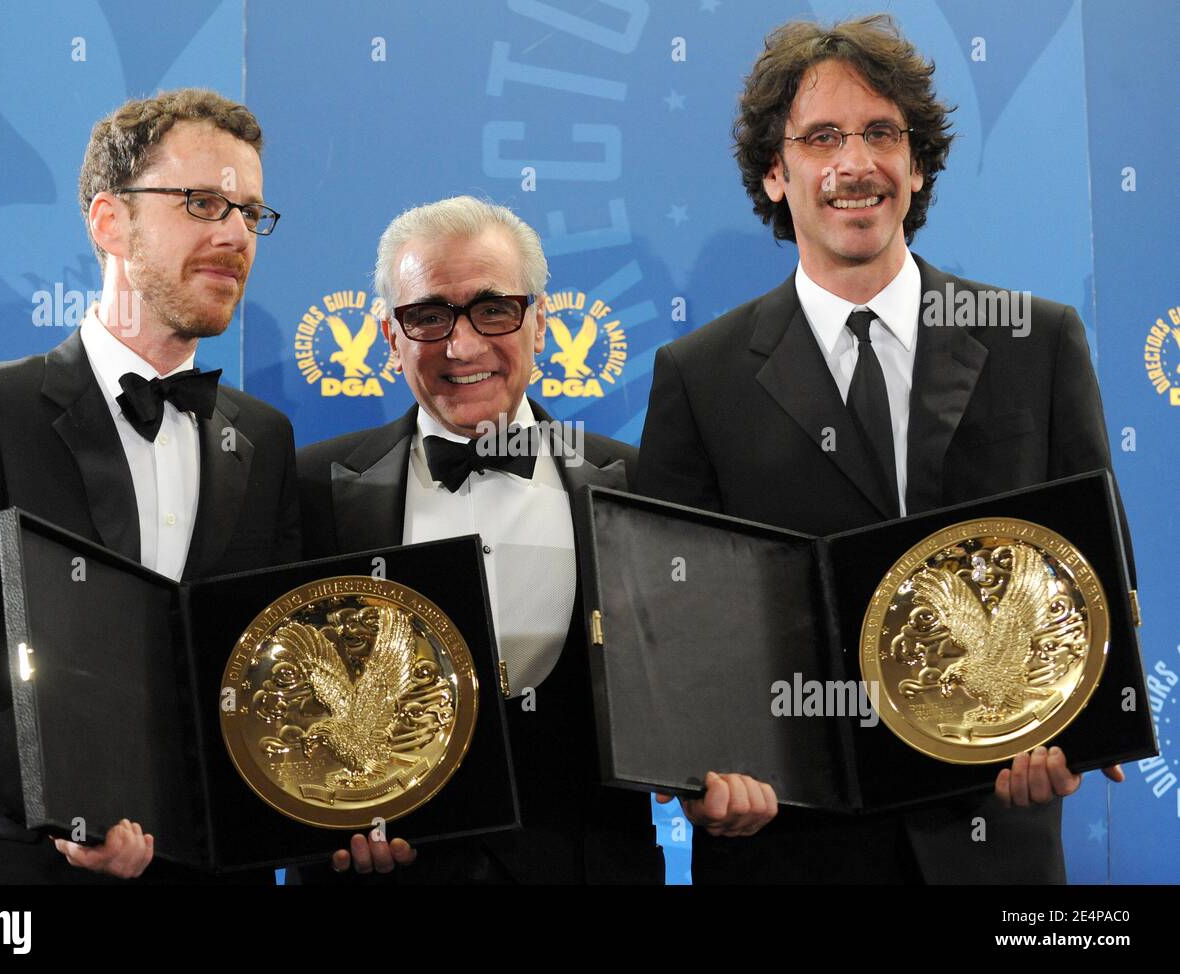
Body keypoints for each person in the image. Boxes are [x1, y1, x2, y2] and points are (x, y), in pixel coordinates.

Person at [637, 15, 1128, 883]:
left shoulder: (1033, 341)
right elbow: (671, 618)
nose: (853, 163)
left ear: (919, 163)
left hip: (995, 835)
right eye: (821, 137)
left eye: (880, 134)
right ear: (774, 173)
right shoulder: (698, 375)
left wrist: (1076, 727)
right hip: (792, 846)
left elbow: (1095, 569)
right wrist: (698, 777)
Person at [0, 88, 302, 884]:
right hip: (19, 870)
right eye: (203, 202)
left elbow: (264, 672)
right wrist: (64, 804)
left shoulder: (264, 439)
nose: (235, 234)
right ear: (109, 221)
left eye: (251, 212)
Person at [294, 195, 671, 882]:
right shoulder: (309, 488)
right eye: (428, 316)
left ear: (540, 322)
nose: (462, 346)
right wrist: (333, 816)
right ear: (389, 337)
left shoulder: (637, 483)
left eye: (493, 308)